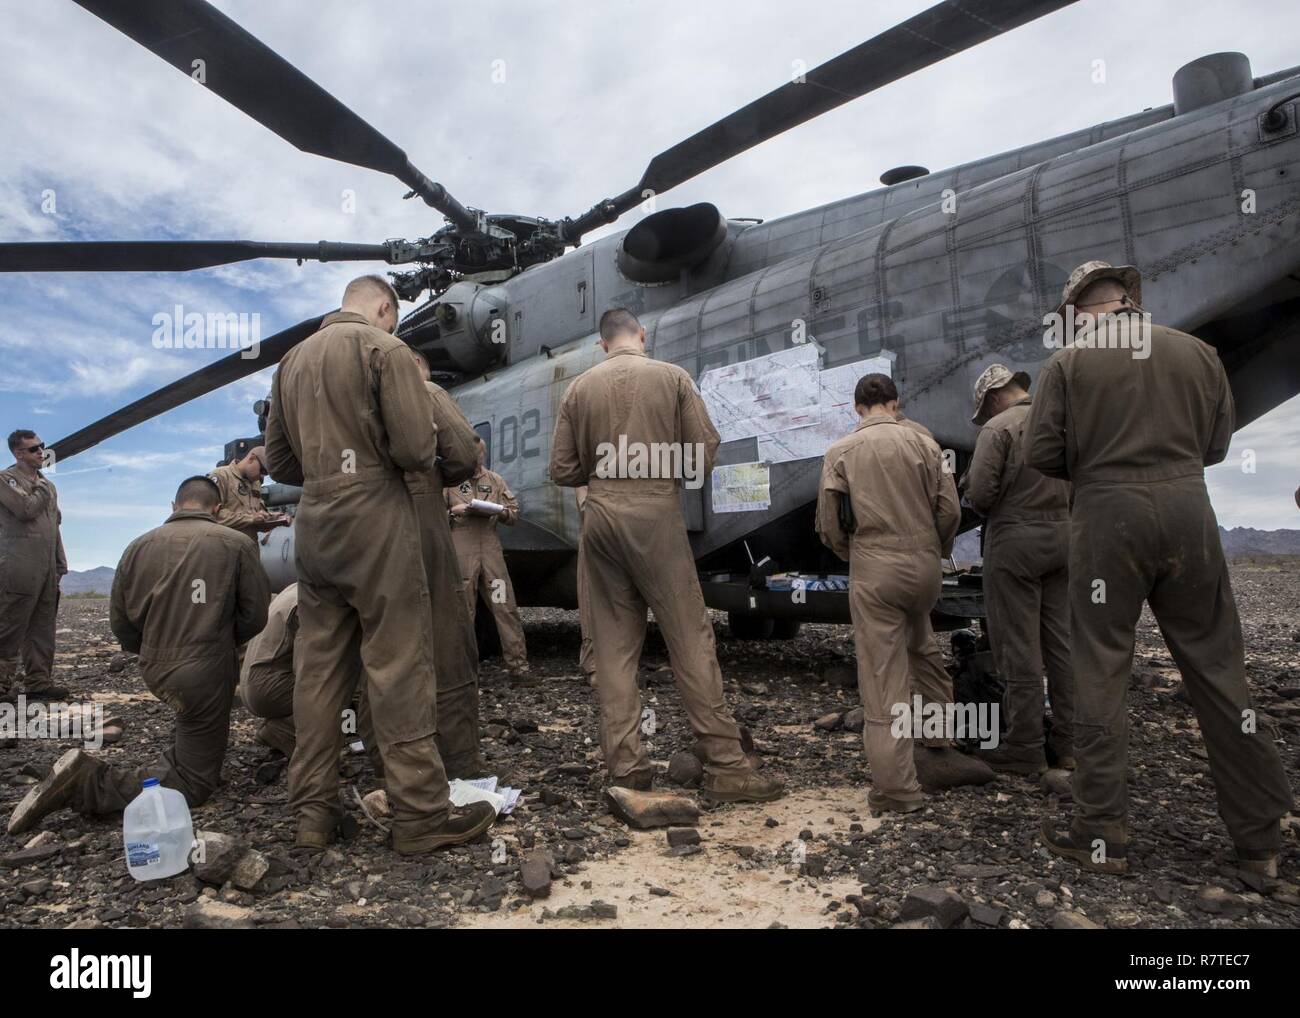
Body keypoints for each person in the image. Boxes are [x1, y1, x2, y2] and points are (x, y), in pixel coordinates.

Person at [1025, 260, 1294, 876]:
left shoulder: (1068, 364)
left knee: (1101, 664)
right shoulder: (1199, 354)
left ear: (1080, 313)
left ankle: (1102, 832)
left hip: (1104, 516)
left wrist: (1099, 467)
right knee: (1219, 667)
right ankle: (1259, 842)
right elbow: (1218, 445)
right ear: (1129, 302)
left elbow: (1042, 452)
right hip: (1187, 509)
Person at [264, 274, 494, 854]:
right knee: (397, 663)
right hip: (377, 518)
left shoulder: (290, 363)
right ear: (386, 308)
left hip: (315, 524)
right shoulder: (384, 349)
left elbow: (280, 463)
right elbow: (418, 450)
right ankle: (419, 814)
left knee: (318, 672)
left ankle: (312, 814)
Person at [549, 307, 783, 803]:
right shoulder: (672, 377)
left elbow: (564, 470)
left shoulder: (577, 389)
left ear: (602, 344)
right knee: (689, 636)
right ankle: (725, 765)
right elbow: (703, 451)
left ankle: (628, 768)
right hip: (655, 513)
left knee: (613, 649)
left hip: (601, 517)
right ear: (641, 335)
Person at [8, 476, 268, 835]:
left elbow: (121, 619)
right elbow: (254, 616)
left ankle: (186, 759)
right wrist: (217, 644)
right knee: (195, 785)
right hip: (204, 668)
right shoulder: (236, 542)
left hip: (155, 665)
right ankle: (88, 783)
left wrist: (152, 649)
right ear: (218, 509)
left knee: (191, 724)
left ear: (174, 506)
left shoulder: (137, 546)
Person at [817, 373, 962, 815]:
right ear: (895, 403)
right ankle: (938, 739)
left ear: (857, 407)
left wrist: (852, 552)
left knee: (883, 679)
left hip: (876, 565)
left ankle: (897, 789)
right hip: (924, 565)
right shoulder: (927, 444)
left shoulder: (841, 451)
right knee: (923, 645)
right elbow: (951, 509)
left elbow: (828, 524)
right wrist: (933, 547)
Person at [967, 364, 1074, 774]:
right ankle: (1069, 745)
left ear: (994, 398)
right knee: (1062, 644)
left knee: (1018, 646)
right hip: (1065, 538)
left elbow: (980, 494)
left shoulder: (998, 429)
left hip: (1015, 543)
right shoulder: (1062, 419)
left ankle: (1025, 746)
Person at [405, 349, 486, 775]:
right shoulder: (424, 390)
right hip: (420, 520)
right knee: (450, 639)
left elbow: (286, 464)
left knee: (380, 650)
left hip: (347, 532)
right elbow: (464, 455)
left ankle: (388, 765)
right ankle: (458, 761)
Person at [444, 439, 532, 685]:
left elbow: (513, 514)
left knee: (505, 607)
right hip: (461, 549)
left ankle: (519, 667)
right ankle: (460, 671)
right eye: (472, 453)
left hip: (490, 549)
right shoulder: (448, 483)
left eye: (480, 453)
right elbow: (432, 518)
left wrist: (501, 511)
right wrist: (453, 511)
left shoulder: (494, 480)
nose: (477, 458)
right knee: (463, 611)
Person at [0, 430, 69, 703]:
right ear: (18, 453)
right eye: (33, 449)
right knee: (10, 626)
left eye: (41, 447)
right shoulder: (6, 480)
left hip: (46, 567)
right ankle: (2, 686)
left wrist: (60, 563)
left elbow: (54, 526)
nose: (41, 452)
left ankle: (39, 682)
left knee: (42, 627)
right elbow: (25, 509)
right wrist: (40, 486)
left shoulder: (49, 487)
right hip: (18, 565)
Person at [208, 446, 289, 543]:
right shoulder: (221, 475)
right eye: (262, 470)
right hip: (225, 547)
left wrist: (275, 519)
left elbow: (258, 519)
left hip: (249, 548)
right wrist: (251, 518)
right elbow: (212, 515)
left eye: (266, 474)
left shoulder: (256, 484)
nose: (262, 476)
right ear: (251, 459)